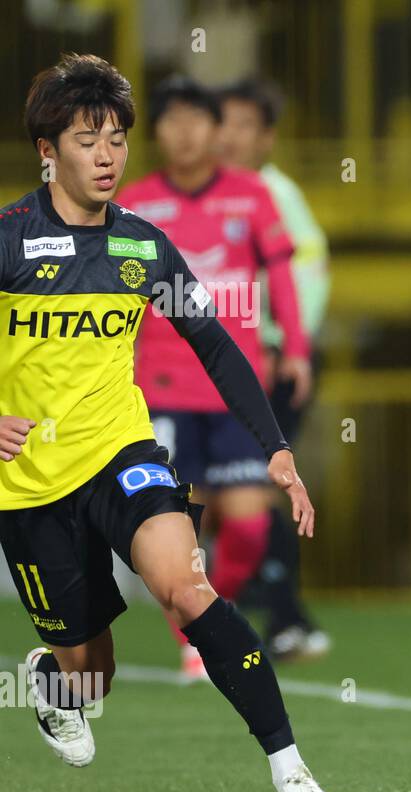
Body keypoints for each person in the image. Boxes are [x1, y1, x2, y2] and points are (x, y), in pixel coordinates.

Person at [0, 53, 334, 792]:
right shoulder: (11, 242)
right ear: (47, 151)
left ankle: (291, 769)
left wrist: (276, 446)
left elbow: (215, 342)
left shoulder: (144, 248)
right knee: (91, 675)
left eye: (117, 137)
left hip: (122, 452)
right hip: (27, 484)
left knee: (188, 589)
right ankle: (56, 683)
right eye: (88, 140)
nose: (108, 155)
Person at [116, 76, 313, 679]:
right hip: (162, 394)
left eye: (197, 120)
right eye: (171, 121)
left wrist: (296, 348)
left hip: (234, 389)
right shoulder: (137, 204)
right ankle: (195, 639)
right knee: (178, 529)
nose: (185, 133)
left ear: (215, 129)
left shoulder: (252, 196)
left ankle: (211, 613)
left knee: (251, 525)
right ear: (157, 132)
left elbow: (282, 276)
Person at [218, 77, 331, 662]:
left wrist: (289, 346)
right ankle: (275, 611)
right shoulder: (221, 195)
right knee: (234, 489)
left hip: (273, 363)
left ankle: (288, 618)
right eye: (222, 123)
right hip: (230, 365)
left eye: (244, 125)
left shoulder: (272, 194)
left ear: (267, 137)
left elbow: (307, 276)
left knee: (258, 487)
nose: (229, 136)